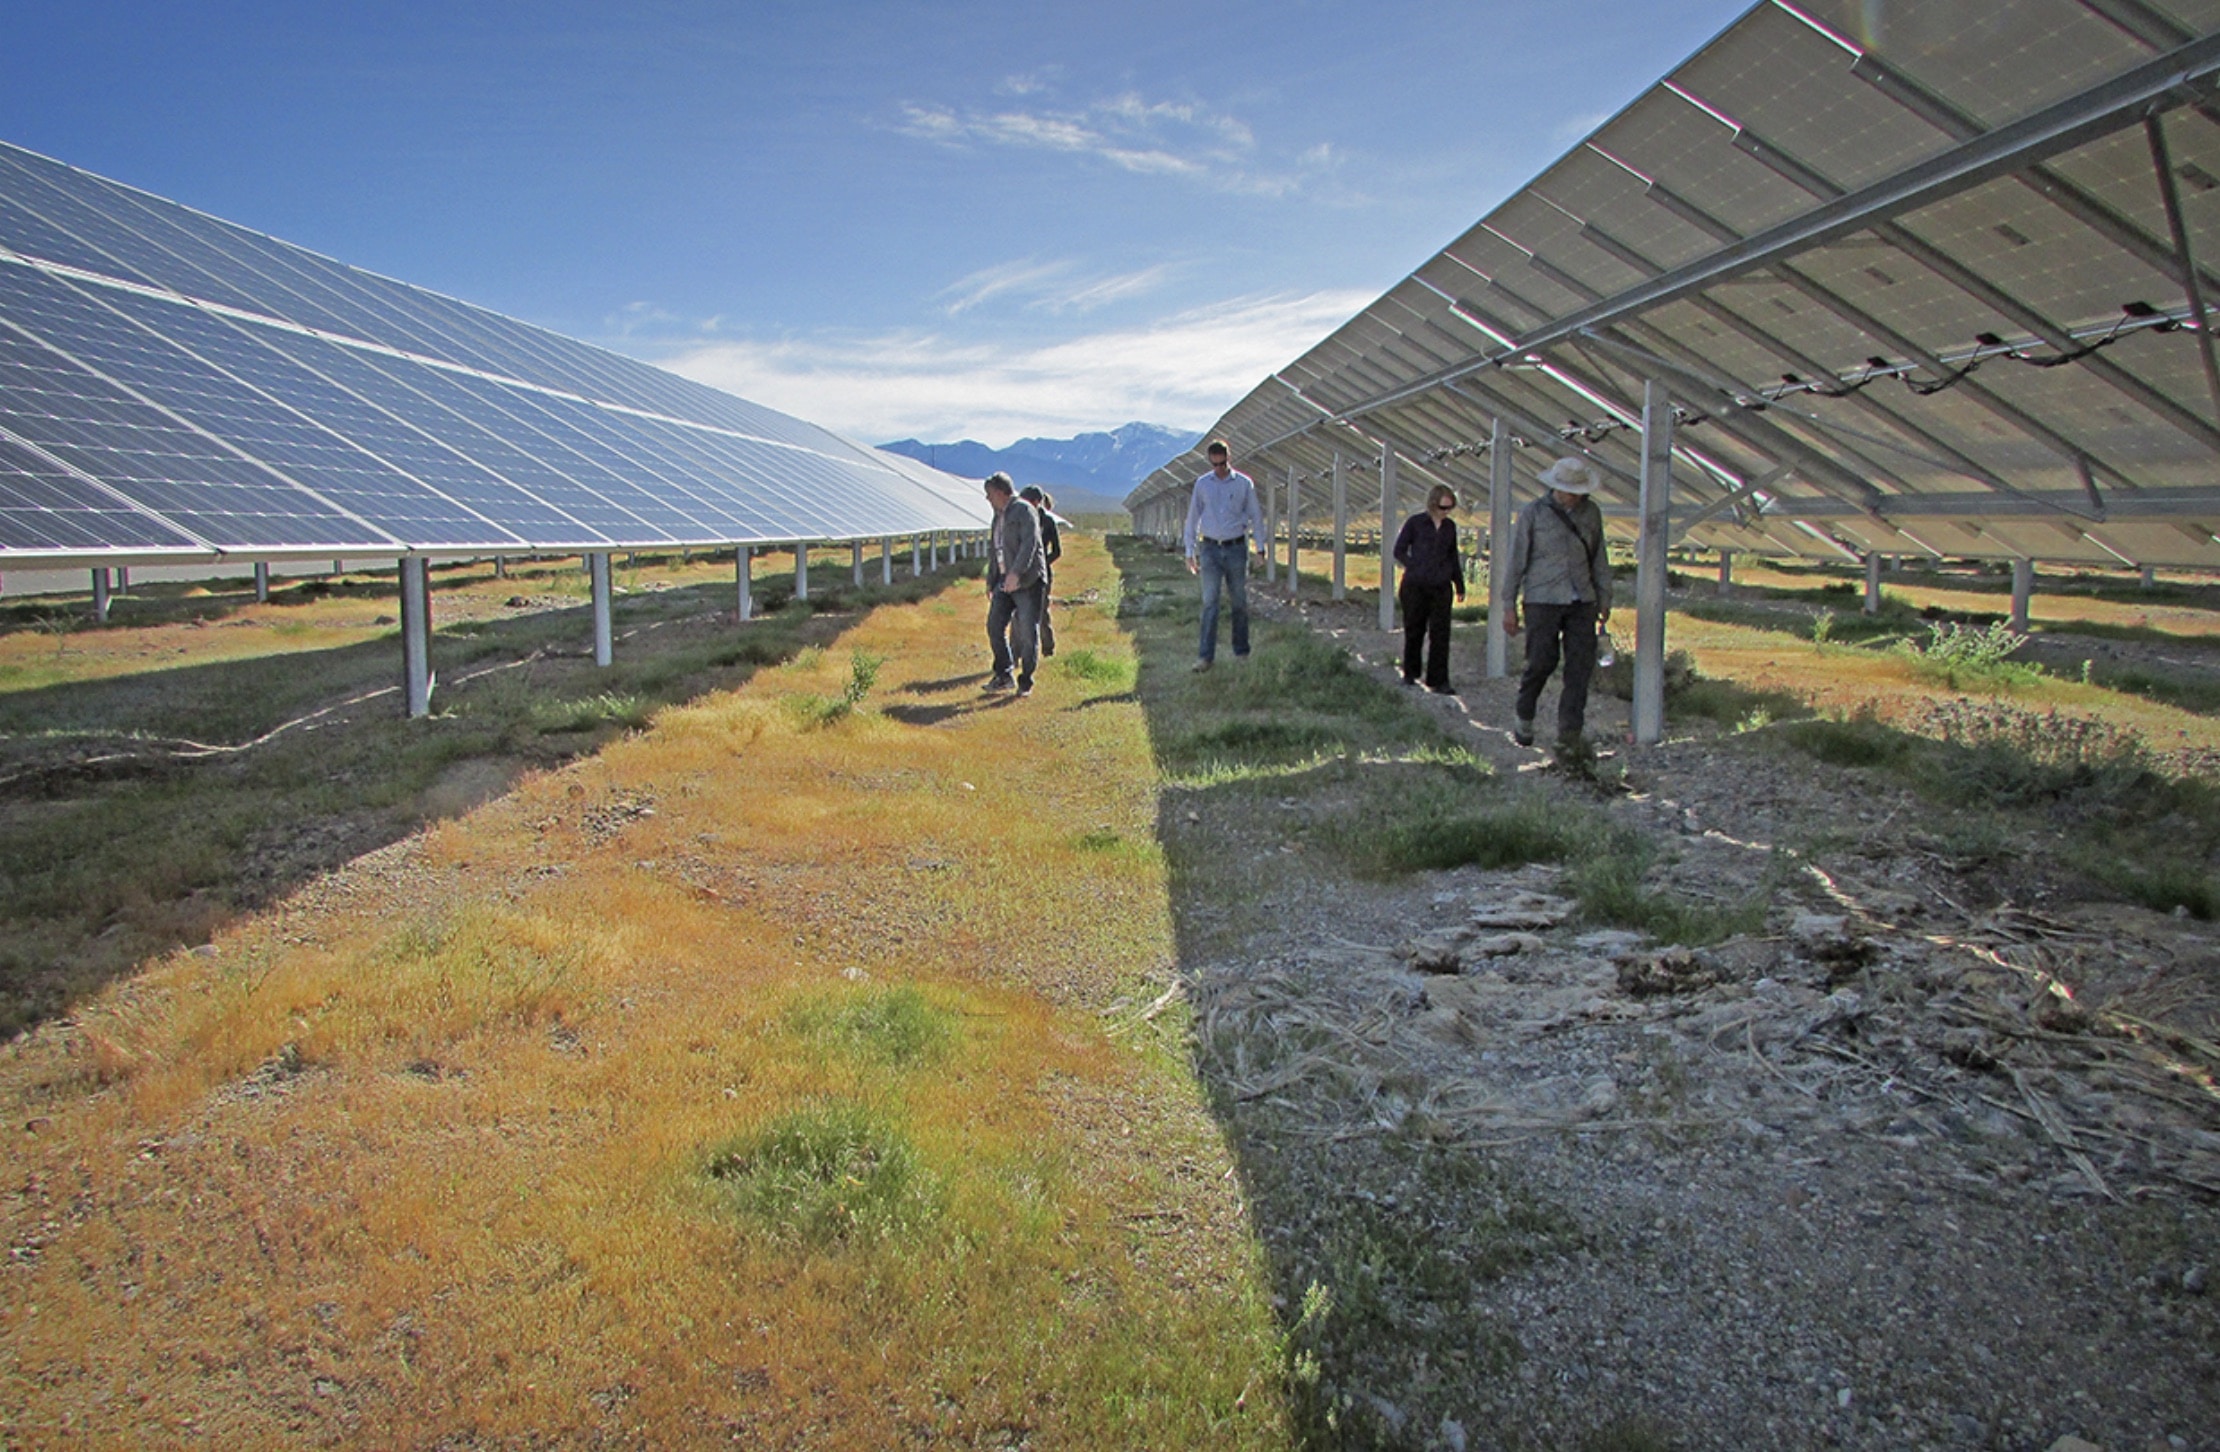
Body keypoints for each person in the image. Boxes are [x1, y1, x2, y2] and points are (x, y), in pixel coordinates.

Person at [1502, 456, 1613, 749]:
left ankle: (1569, 734)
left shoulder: (1591, 514)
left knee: (1580, 667)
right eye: (1568, 491)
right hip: (1542, 598)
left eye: (1578, 492)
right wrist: (1508, 604)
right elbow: (1516, 560)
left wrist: (1604, 597)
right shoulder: (1534, 513)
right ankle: (1524, 713)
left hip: (1582, 599)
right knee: (1541, 661)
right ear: (1555, 487)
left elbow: (1599, 557)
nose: (1573, 497)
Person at [1181, 439, 1263, 672]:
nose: (1218, 468)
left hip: (1236, 547)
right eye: (1214, 464)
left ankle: (1241, 652)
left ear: (1229, 458)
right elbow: (1192, 518)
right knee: (1210, 603)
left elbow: (1256, 516)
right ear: (1210, 461)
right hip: (1210, 549)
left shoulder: (1244, 483)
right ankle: (1205, 657)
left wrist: (1260, 548)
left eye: (1222, 464)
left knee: (1239, 601)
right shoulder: (1202, 484)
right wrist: (1189, 551)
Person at [1392, 483, 1466, 694]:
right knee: (1414, 629)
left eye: (1450, 508)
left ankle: (1438, 680)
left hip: (1441, 587)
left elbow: (1453, 556)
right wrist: (1415, 566)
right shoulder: (1415, 523)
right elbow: (1399, 550)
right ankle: (1410, 672)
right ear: (1433, 504)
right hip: (1415, 586)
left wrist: (1459, 584)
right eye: (1443, 507)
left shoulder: (1449, 527)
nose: (1446, 512)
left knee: (1441, 633)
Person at [981, 472, 1046, 698]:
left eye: (990, 494)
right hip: (1003, 580)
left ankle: (1026, 680)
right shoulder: (997, 517)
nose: (987, 499)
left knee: (1027, 631)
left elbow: (1029, 544)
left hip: (1028, 581)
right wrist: (992, 580)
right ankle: (1004, 674)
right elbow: (995, 551)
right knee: (994, 626)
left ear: (1001, 492)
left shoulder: (1024, 510)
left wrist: (1016, 573)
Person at [1019, 485, 1061, 658]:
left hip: (1042, 574)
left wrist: (1041, 563)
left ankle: (1047, 648)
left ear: (1037, 502)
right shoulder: (1019, 519)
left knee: (1041, 611)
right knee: (1020, 612)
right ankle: (1020, 651)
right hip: (1021, 572)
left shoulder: (1048, 522)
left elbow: (1057, 551)